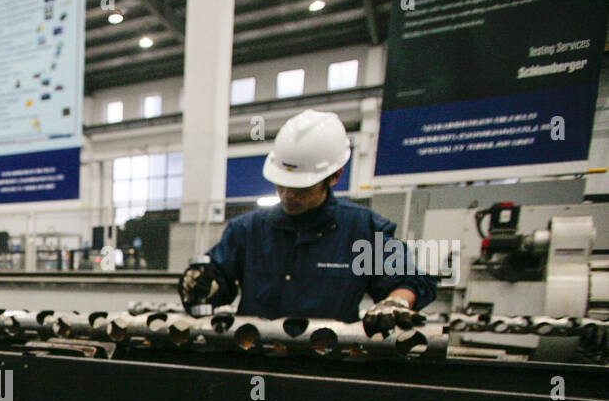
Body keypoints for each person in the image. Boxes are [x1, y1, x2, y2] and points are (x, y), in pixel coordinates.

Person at [180, 109, 436, 333]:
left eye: (301, 188)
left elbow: (409, 280)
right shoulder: (247, 230)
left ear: (334, 176)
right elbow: (217, 281)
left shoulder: (363, 230)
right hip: (255, 358)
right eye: (282, 185)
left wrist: (397, 301)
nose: (288, 195)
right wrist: (203, 284)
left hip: (328, 366)